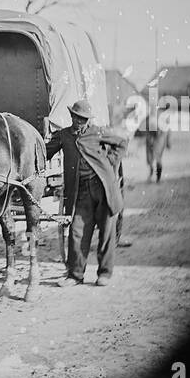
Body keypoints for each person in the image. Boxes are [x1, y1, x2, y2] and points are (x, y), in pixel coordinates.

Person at [46, 99, 127, 287]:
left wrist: (111, 162)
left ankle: (104, 274)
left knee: (107, 231)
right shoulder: (64, 135)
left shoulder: (97, 132)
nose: (80, 122)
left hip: (104, 188)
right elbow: (46, 151)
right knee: (77, 231)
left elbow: (122, 143)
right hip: (80, 192)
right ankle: (75, 275)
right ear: (71, 116)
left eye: (83, 119)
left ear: (88, 120)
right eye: (77, 117)